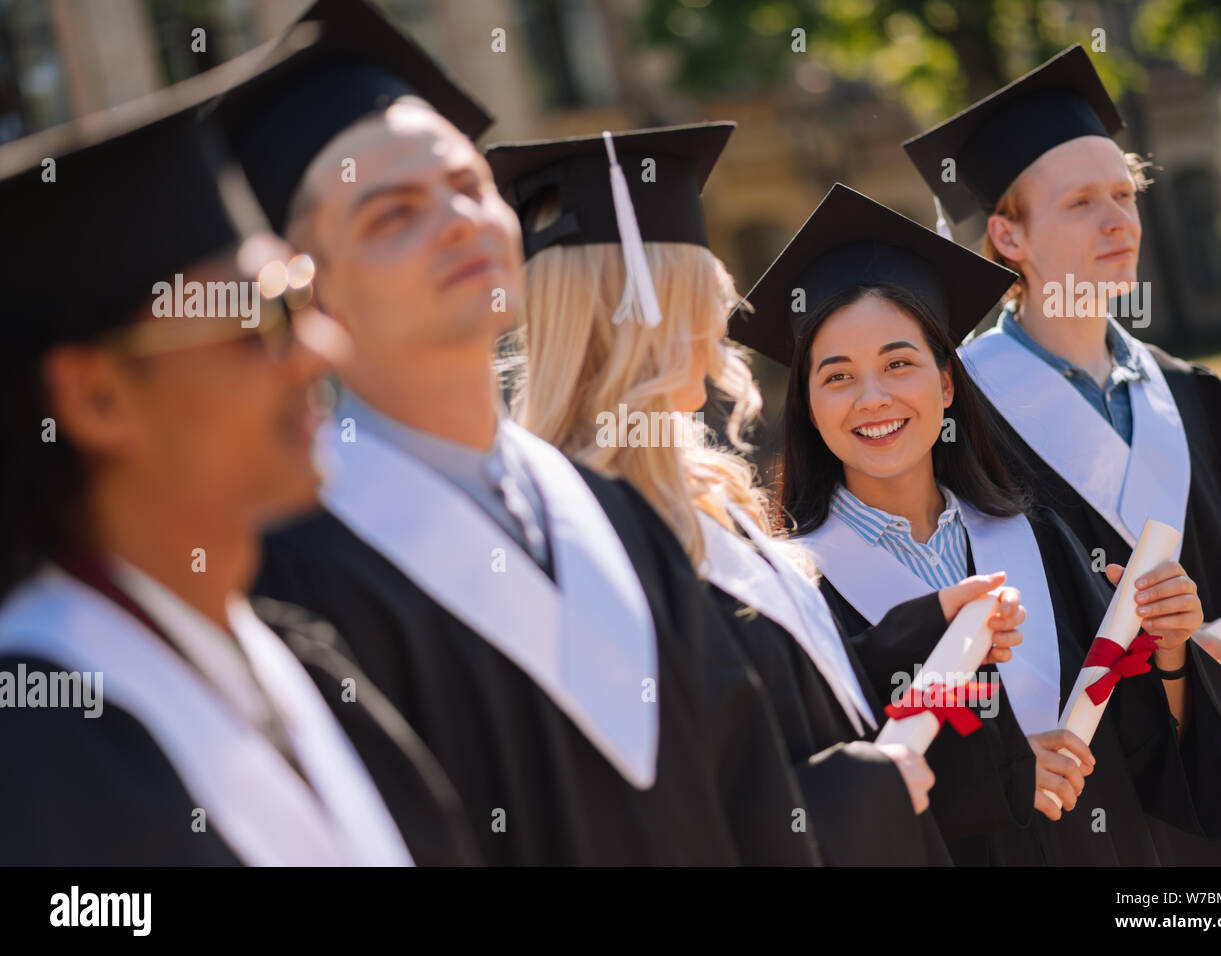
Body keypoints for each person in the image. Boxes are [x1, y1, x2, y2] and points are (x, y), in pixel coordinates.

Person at [219, 0, 818, 865]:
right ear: (310, 291)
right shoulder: (288, 576)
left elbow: (758, 809)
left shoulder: (616, 520)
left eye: (467, 187)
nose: (459, 221)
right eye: (393, 215)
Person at [485, 123, 1043, 864]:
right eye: (699, 296)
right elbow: (659, 813)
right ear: (637, 324)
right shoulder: (578, 534)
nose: (721, 322)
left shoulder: (698, 494)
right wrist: (858, 793)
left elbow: (778, 711)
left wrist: (913, 640)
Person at [0, 44, 476, 866]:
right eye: (261, 324)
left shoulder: (308, 666)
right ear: (93, 397)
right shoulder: (37, 744)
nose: (319, 350)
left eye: (301, 299)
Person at [731, 182, 1221, 865]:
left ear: (945, 383)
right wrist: (999, 779)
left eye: (899, 363)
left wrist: (1170, 652)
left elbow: (1153, 763)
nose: (873, 398)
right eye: (837, 376)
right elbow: (816, 809)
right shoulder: (791, 594)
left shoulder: (1045, 540)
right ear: (808, 407)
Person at [905, 43, 1221, 865]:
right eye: (1083, 202)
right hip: (1088, 800)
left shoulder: (1190, 395)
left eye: (1125, 192)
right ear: (1008, 234)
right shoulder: (959, 416)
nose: (1120, 220)